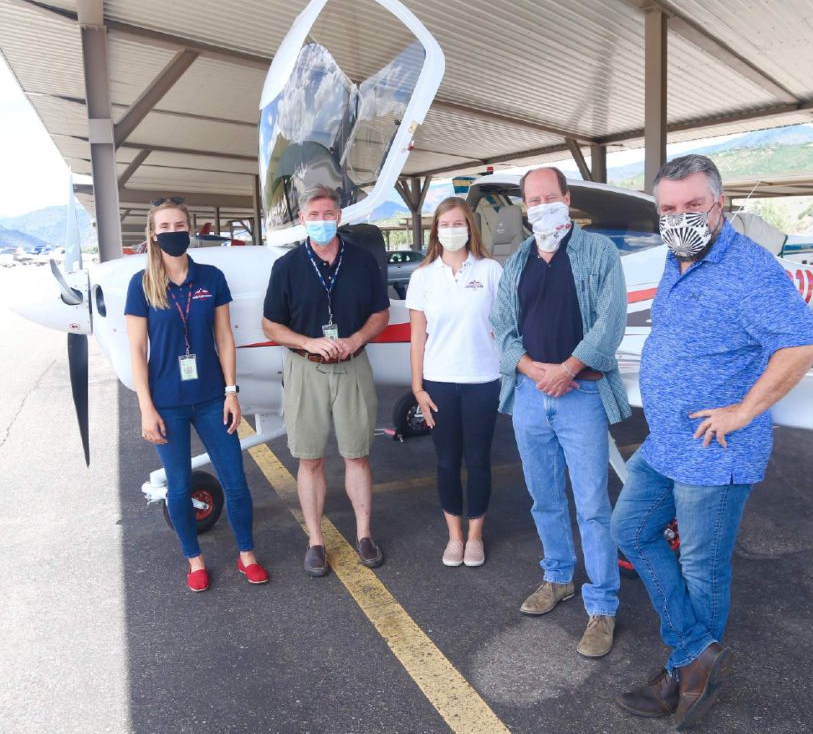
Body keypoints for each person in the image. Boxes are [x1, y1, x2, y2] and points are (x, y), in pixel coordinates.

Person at [611, 155, 813, 729]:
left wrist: (743, 411)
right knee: (630, 530)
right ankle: (694, 654)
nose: (679, 217)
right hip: (666, 442)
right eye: (668, 209)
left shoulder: (749, 269)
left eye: (692, 205)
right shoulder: (676, 259)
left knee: (702, 568)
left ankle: (682, 678)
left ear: (718, 204)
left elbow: (803, 343)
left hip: (714, 451)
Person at [490, 166, 630, 658]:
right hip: (530, 395)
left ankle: (603, 605)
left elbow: (610, 322)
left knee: (592, 505)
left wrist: (567, 368)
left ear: (567, 200)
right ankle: (558, 577)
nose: (542, 206)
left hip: (581, 394)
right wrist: (533, 370)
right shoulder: (519, 259)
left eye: (550, 197)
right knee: (543, 496)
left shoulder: (599, 252)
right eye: (533, 200)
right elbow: (502, 326)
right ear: (525, 208)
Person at [125, 199, 268, 592]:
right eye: (165, 226)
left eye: (179, 225)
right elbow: (136, 349)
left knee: (236, 481)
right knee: (178, 486)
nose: (173, 232)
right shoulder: (141, 285)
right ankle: (195, 560)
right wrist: (146, 408)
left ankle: (247, 555)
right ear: (154, 234)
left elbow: (224, 338)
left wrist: (231, 392)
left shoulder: (211, 277)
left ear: (189, 229)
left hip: (211, 398)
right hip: (166, 402)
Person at [262, 184, 390, 575]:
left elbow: (380, 313)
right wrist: (308, 342)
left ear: (339, 217)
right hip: (305, 367)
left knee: (357, 454)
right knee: (310, 458)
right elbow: (270, 325)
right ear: (303, 220)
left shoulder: (363, 262)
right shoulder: (287, 267)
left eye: (328, 214)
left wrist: (356, 338)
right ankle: (315, 541)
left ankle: (364, 535)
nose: (321, 221)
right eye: (314, 215)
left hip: (353, 364)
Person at [406, 197, 503, 567]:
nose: (451, 230)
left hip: (482, 380)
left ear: (470, 227)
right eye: (444, 224)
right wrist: (418, 388)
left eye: (458, 223)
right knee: (446, 461)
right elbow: (418, 338)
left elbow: (507, 323)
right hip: (439, 383)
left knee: (478, 461)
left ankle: (475, 536)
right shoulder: (423, 277)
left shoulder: (490, 271)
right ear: (435, 231)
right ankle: (454, 536)